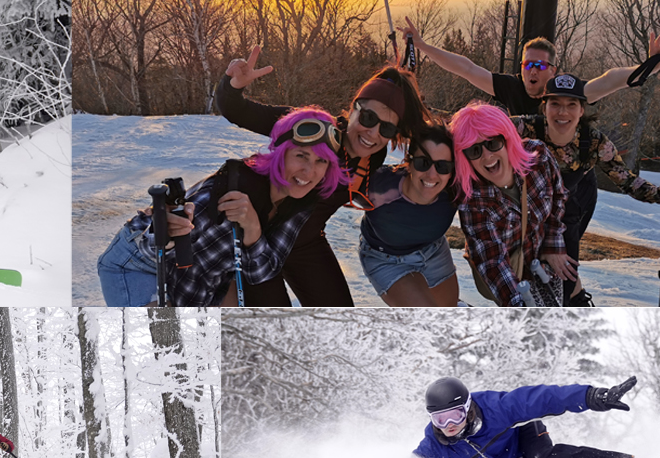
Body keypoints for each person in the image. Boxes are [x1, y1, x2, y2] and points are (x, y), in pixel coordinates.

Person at [217, 52, 433, 306]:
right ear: (354, 108)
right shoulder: (310, 128)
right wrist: (233, 85)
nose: (372, 133)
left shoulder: (374, 157)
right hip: (258, 241)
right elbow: (235, 109)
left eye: (386, 129)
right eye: (368, 118)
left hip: (305, 246)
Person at [98, 109, 346, 306]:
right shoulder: (226, 194)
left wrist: (253, 229)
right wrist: (170, 235)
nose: (309, 171)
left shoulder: (300, 201)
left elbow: (261, 272)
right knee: (165, 349)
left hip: (206, 277)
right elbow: (158, 253)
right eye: (301, 156)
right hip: (140, 264)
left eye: (321, 161)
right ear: (280, 154)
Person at [339, 376, 660, 458]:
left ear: (467, 408)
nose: (449, 425)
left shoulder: (496, 408)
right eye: (440, 419)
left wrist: (592, 396)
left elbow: (544, 398)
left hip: (524, 439)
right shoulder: (434, 449)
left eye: (455, 415)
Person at [514, 73, 660, 306]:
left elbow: (626, 179)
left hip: (569, 211)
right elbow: (482, 127)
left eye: (571, 105)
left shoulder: (594, 142)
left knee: (563, 278)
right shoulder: (524, 128)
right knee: (523, 276)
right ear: (544, 107)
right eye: (555, 104)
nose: (562, 113)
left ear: (582, 110)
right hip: (528, 212)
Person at [401, 19, 660, 116]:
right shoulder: (510, 88)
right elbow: (466, 68)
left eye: (540, 65)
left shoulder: (564, 93)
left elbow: (610, 80)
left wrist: (649, 65)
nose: (532, 71)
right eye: (527, 64)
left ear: (553, 70)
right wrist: (422, 46)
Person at [451, 103, 570, 306]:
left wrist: (553, 243)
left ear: (507, 139)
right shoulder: (474, 199)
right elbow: (492, 261)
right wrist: (518, 304)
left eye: (493, 143)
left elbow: (559, 196)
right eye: (474, 150)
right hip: (504, 270)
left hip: (540, 257)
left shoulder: (538, 157)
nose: (487, 156)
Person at [357, 123, 461, 307]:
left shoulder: (454, 192)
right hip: (385, 258)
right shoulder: (378, 187)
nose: (431, 175)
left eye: (443, 166)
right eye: (423, 163)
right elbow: (331, 185)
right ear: (409, 162)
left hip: (433, 251)